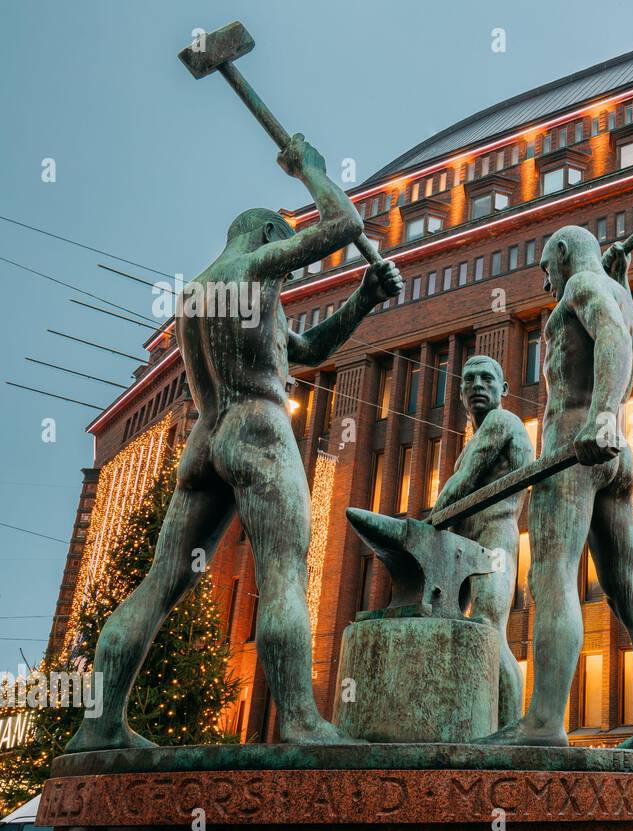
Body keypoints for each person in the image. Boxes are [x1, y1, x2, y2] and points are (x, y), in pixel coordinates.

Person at [67, 134, 402, 752]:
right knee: (282, 573)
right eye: (285, 247)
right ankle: (301, 721)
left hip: (206, 437)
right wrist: (312, 170)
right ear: (271, 237)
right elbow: (344, 221)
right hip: (257, 426)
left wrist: (364, 300)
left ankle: (99, 723)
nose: (290, 260)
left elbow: (304, 352)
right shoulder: (254, 269)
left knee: (159, 582)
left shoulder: (197, 292)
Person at [478, 225, 633, 751]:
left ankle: (542, 723)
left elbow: (609, 335)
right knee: (630, 590)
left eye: (546, 267)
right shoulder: (620, 294)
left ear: (562, 252)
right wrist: (624, 279)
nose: (547, 283)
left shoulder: (580, 286)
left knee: (554, 577)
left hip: (576, 441)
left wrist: (602, 415)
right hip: (618, 456)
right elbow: (624, 333)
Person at [428, 355, 532, 727]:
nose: (477, 385)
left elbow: (464, 483)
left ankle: (509, 728)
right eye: (469, 380)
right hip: (465, 544)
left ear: (503, 390)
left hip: (495, 537)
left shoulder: (503, 422)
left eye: (487, 379)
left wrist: (428, 526)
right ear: (459, 393)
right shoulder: (468, 443)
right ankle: (463, 719)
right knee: (452, 628)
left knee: (488, 626)